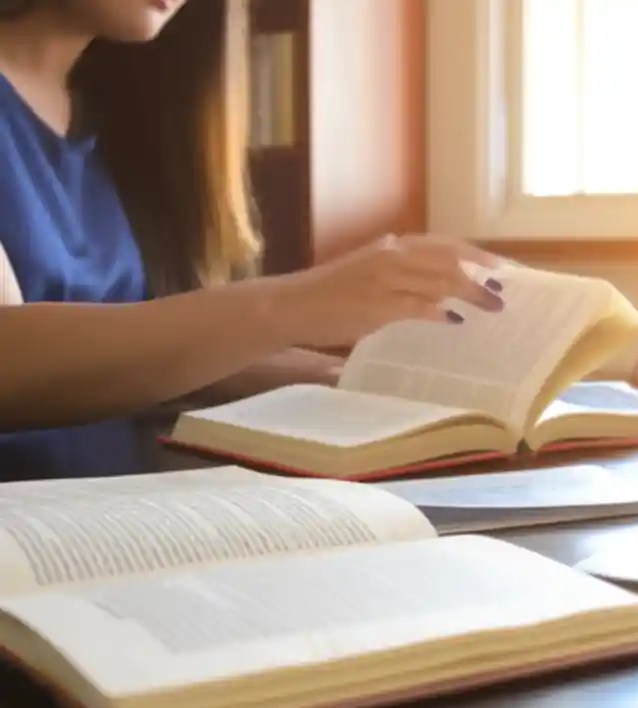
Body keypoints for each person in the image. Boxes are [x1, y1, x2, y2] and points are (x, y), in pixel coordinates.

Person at [0, 0, 505, 480]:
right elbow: (13, 363)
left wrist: (369, 376)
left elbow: (152, 351)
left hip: (114, 524)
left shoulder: (119, 115)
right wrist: (296, 302)